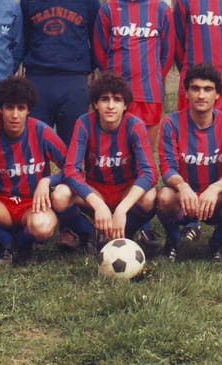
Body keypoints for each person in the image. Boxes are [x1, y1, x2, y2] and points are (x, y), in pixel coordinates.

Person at [93, 0, 174, 248]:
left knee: (144, 161)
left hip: (149, 96)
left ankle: (143, 223)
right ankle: (108, 217)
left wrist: (152, 77)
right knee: (116, 158)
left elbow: (167, 55)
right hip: (117, 99)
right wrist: (115, 88)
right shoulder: (109, 10)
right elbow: (101, 53)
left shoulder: (161, 10)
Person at [0, 76, 70, 266]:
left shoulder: (41, 132)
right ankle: (4, 241)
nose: (15, 115)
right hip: (1, 205)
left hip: (32, 204)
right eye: (10, 107)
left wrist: (49, 181)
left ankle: (24, 244)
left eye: (21, 108)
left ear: (29, 110)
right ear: (0, 109)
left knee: (43, 227)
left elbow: (72, 169)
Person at [157, 63, 222, 261]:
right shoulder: (171, 123)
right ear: (186, 93)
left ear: (217, 95)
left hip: (215, 201)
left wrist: (215, 188)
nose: (201, 95)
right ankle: (173, 242)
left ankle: (219, 242)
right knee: (164, 196)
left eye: (208, 89)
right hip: (184, 199)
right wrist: (182, 186)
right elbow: (167, 167)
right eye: (195, 88)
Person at [20, 0, 101, 145]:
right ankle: (41, 179)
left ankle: (71, 179)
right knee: (36, 146)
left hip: (73, 81)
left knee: (73, 147)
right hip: (38, 80)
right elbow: (24, 39)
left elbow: (97, 39)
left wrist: (88, 70)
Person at [63, 72, 158, 244]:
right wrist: (98, 204)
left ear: (125, 105)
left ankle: (125, 232)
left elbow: (149, 172)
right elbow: (71, 170)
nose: (110, 105)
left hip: (125, 190)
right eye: (105, 99)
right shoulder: (84, 123)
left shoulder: (135, 125)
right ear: (95, 104)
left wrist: (122, 209)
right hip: (96, 190)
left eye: (117, 99)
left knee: (150, 197)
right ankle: (91, 233)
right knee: (60, 196)